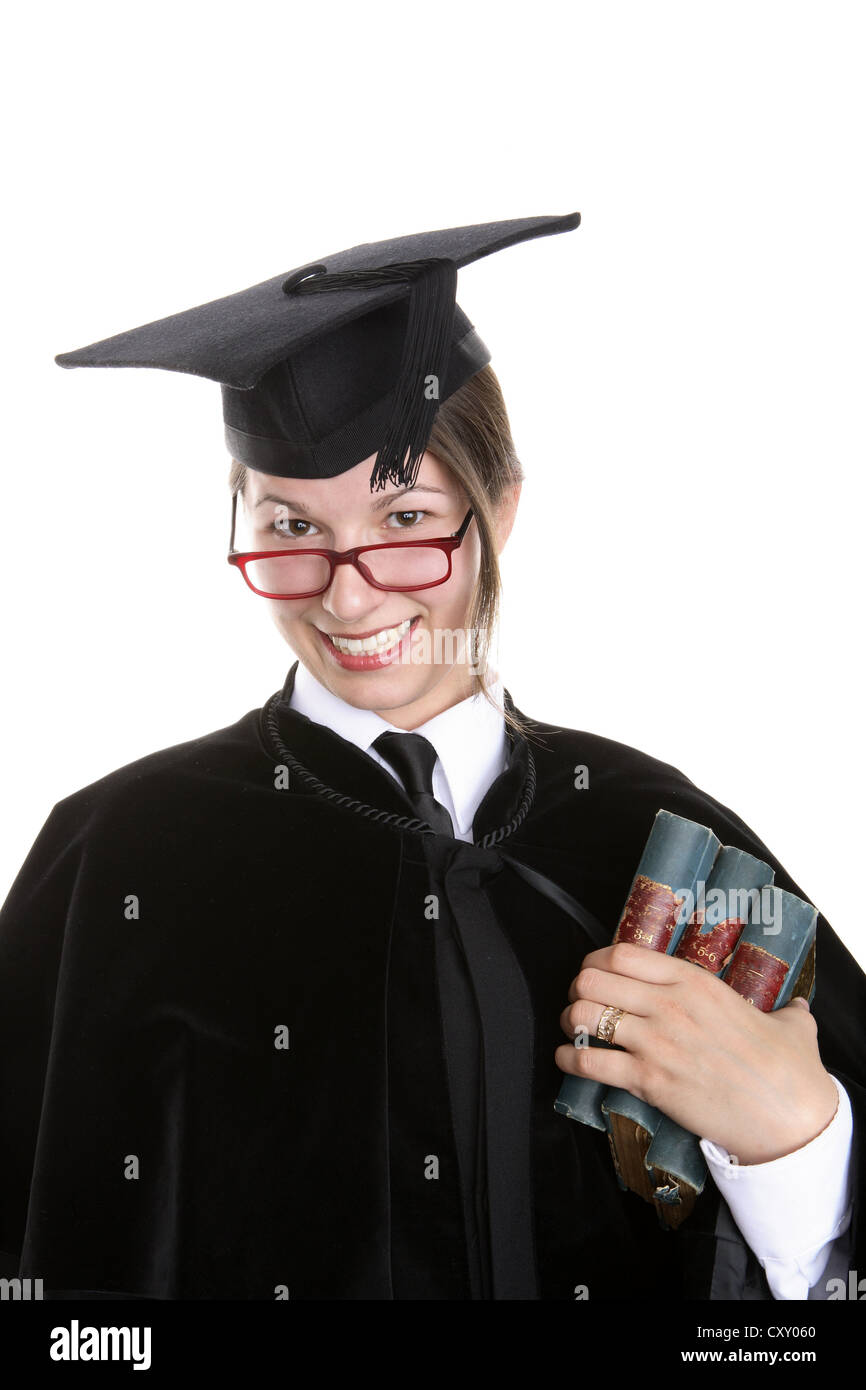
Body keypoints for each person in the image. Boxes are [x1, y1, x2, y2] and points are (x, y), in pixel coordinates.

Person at [0, 213, 863, 1302]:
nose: (348, 592)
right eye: (291, 527)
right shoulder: (117, 851)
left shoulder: (661, 839)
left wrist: (798, 1144)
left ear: (497, 508)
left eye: (403, 514)